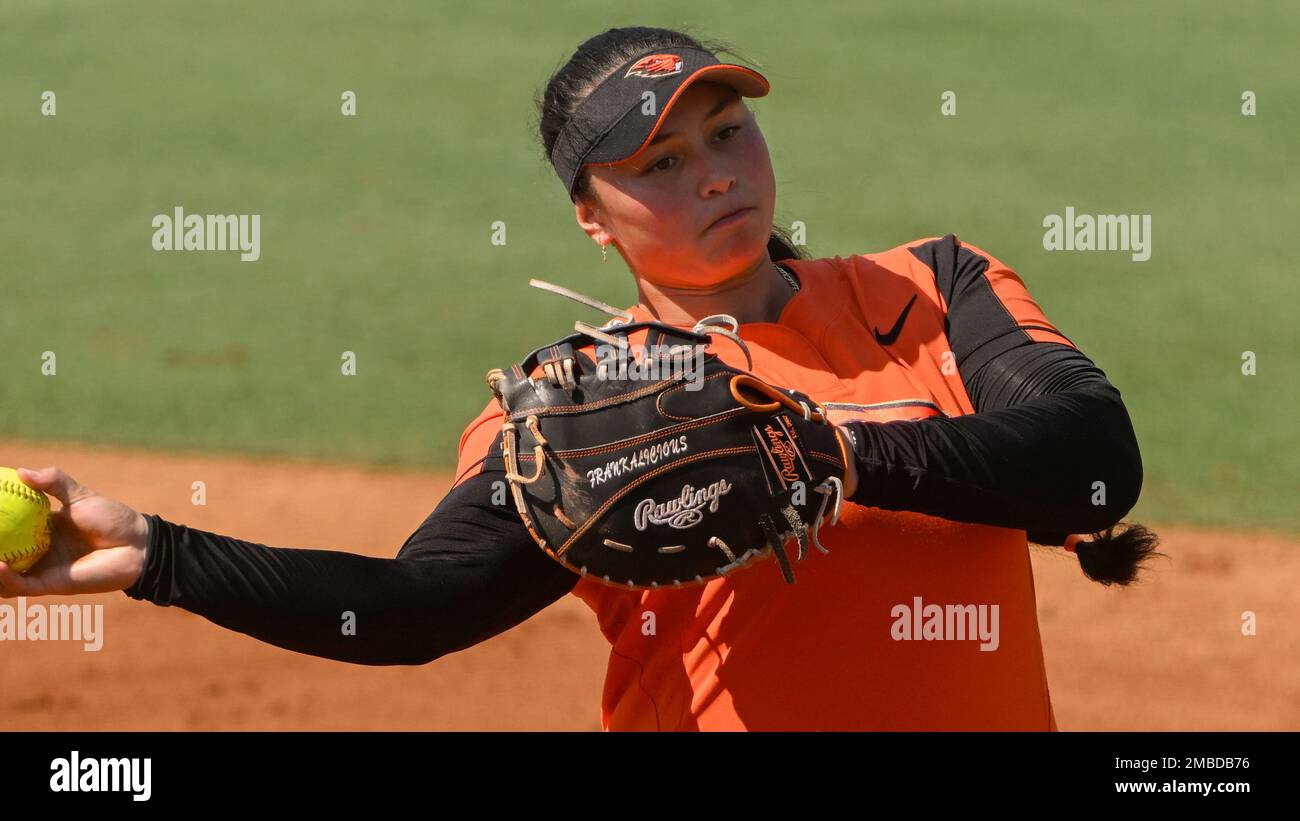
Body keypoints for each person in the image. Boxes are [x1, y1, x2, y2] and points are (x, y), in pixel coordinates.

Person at [0, 26, 1151, 730]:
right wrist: (161, 552)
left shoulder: (928, 287)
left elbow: (1095, 466)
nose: (713, 174)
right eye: (659, 161)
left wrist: (832, 453)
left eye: (725, 131)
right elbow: (414, 609)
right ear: (591, 219)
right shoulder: (578, 413)